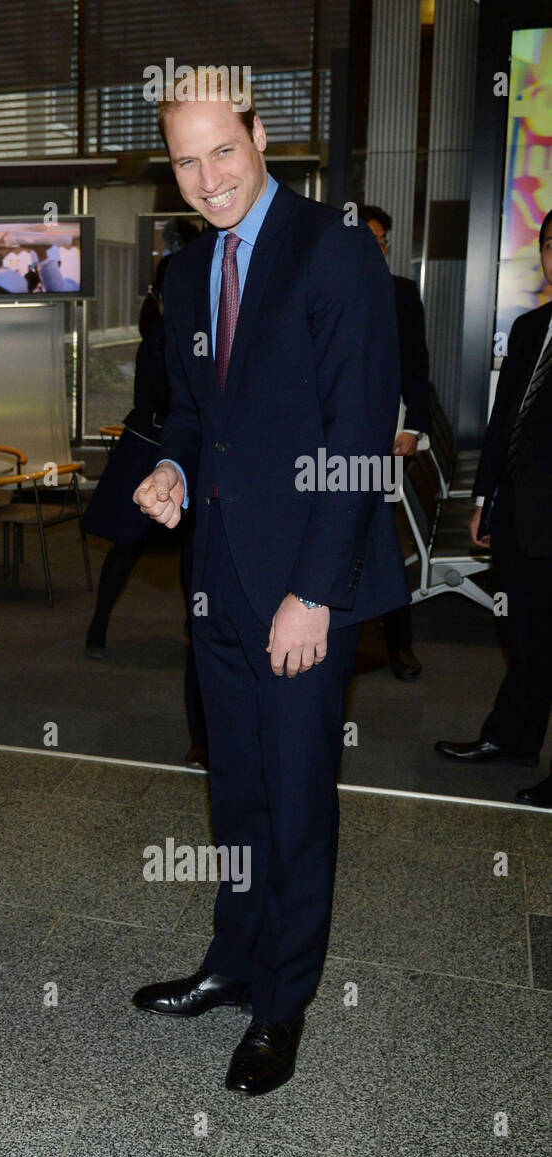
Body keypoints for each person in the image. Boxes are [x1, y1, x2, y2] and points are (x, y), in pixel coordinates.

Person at [130, 84, 406, 1096]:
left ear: (258, 138)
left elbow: (358, 436)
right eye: (185, 164)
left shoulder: (332, 250)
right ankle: (233, 962)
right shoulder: (190, 266)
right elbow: (200, 418)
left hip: (302, 591)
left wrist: (314, 594)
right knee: (235, 794)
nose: (207, 180)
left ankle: (282, 1004)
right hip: (217, 584)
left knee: (294, 800)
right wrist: (170, 470)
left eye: (221, 153)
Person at [435, 209, 552, 806]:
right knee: (527, 640)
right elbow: (504, 419)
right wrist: (484, 499)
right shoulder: (532, 328)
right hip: (517, 519)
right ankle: (511, 739)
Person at [81, 244, 208, 768]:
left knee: (190, 549)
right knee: (129, 544)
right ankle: (98, 626)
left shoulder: (180, 328)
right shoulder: (161, 336)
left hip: (177, 449)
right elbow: (170, 403)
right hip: (154, 449)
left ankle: (192, 624)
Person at [363, 204, 433, 680]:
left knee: (381, 537)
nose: (375, 247)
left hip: (385, 436)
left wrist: (414, 428)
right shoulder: (319, 289)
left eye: (381, 239)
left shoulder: (401, 294)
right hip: (326, 441)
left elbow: (417, 366)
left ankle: (399, 645)